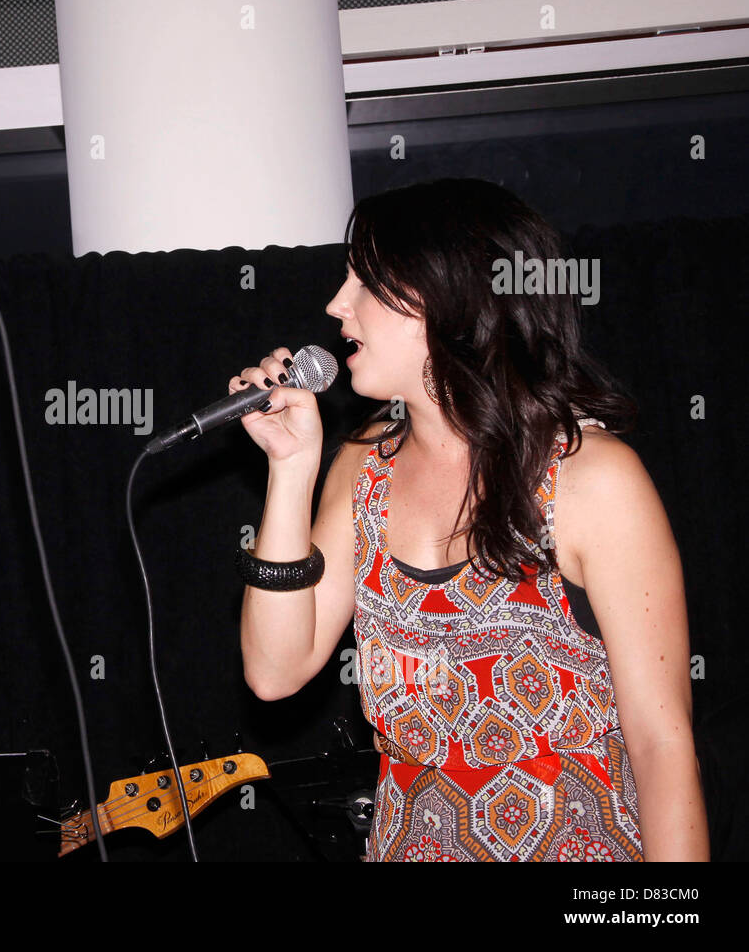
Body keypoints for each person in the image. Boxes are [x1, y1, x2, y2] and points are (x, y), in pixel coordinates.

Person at [233, 178, 707, 861]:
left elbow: (663, 747)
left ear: (448, 295)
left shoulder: (589, 480)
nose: (337, 305)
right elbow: (274, 671)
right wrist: (290, 469)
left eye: (364, 281)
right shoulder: (362, 467)